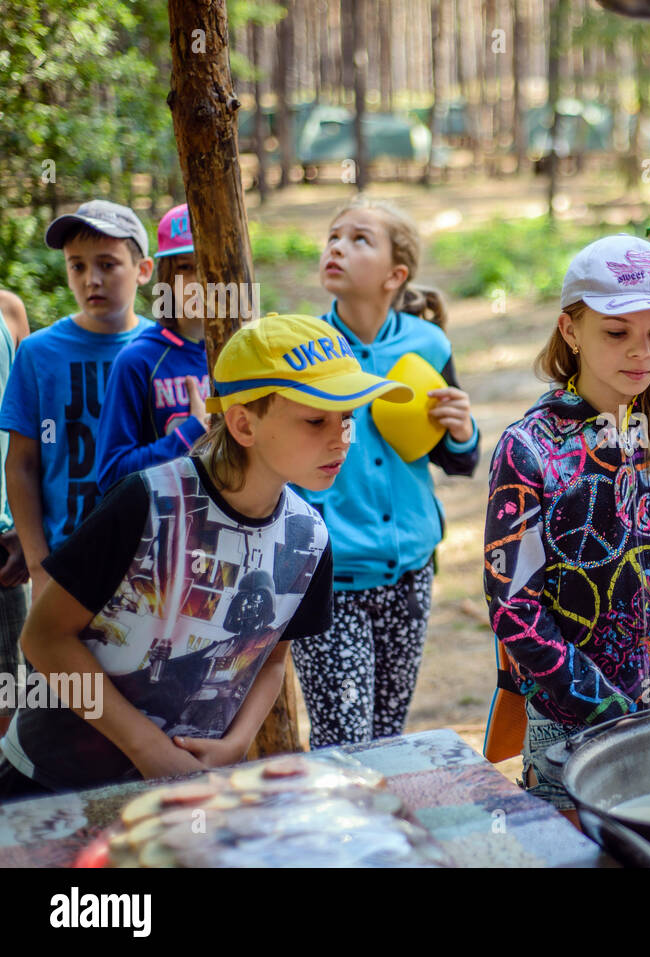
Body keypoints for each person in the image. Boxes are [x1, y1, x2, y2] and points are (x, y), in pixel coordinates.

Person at [0, 313, 413, 799]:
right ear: (243, 423)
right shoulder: (145, 501)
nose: (341, 437)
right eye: (315, 419)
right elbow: (44, 639)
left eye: (347, 418)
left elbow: (273, 660)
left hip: (182, 792)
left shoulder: (311, 539)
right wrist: (146, 748)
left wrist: (236, 744)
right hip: (50, 781)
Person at [484, 235, 650, 814]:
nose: (640, 353)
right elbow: (514, 607)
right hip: (572, 737)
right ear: (570, 330)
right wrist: (608, 716)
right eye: (616, 333)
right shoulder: (530, 450)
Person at [292, 197, 480, 749]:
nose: (337, 247)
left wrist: (462, 429)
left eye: (358, 239)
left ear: (395, 275)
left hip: (411, 574)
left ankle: (376, 833)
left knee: (386, 737)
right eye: (333, 236)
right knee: (342, 742)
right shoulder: (305, 348)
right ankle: (343, 834)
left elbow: (455, 459)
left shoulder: (429, 344)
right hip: (330, 577)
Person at [0, 201, 156, 604]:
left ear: (143, 271)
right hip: (65, 569)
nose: (92, 280)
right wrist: (39, 566)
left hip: (153, 567)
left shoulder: (164, 352)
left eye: (107, 264)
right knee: (60, 668)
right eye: (77, 266)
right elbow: (22, 464)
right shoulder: (38, 353)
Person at [97, 203, 212, 492]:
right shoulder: (138, 360)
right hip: (161, 529)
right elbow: (111, 474)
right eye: (186, 268)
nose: (199, 281)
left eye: (209, 263)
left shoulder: (242, 353)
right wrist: (190, 433)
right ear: (167, 278)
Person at [0, 290, 31, 736]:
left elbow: (30, 441)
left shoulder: (9, 310)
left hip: (2, 547)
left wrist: (26, 528)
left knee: (11, 701)